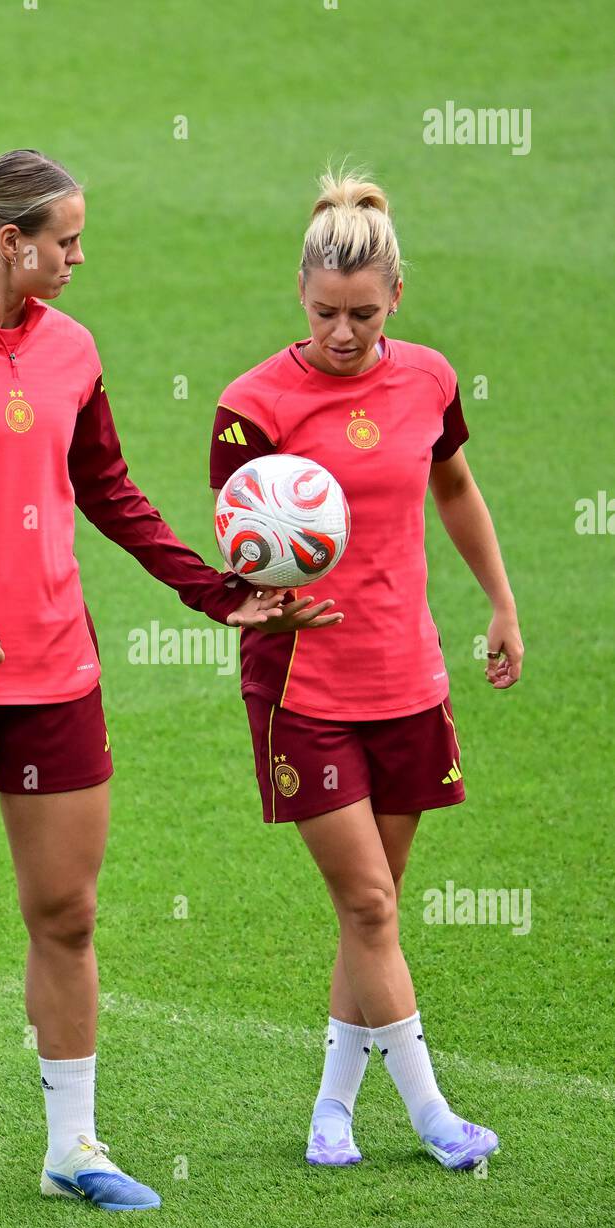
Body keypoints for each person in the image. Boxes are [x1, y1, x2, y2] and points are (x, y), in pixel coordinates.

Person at [0, 147, 300, 1224]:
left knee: (68, 916)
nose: (80, 257)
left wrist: (213, 591)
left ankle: (72, 1145)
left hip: (56, 675)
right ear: (12, 242)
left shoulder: (73, 351)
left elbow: (107, 489)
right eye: (68, 240)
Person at [209, 167, 524, 1171]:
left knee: (370, 903)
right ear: (296, 296)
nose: (340, 334)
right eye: (321, 313)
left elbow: (456, 487)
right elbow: (238, 551)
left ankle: (328, 1114)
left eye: (359, 313)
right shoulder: (250, 404)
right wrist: (261, 593)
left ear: (396, 297)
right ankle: (433, 1116)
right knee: (373, 906)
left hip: (408, 676)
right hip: (303, 686)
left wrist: (500, 602)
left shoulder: (427, 378)